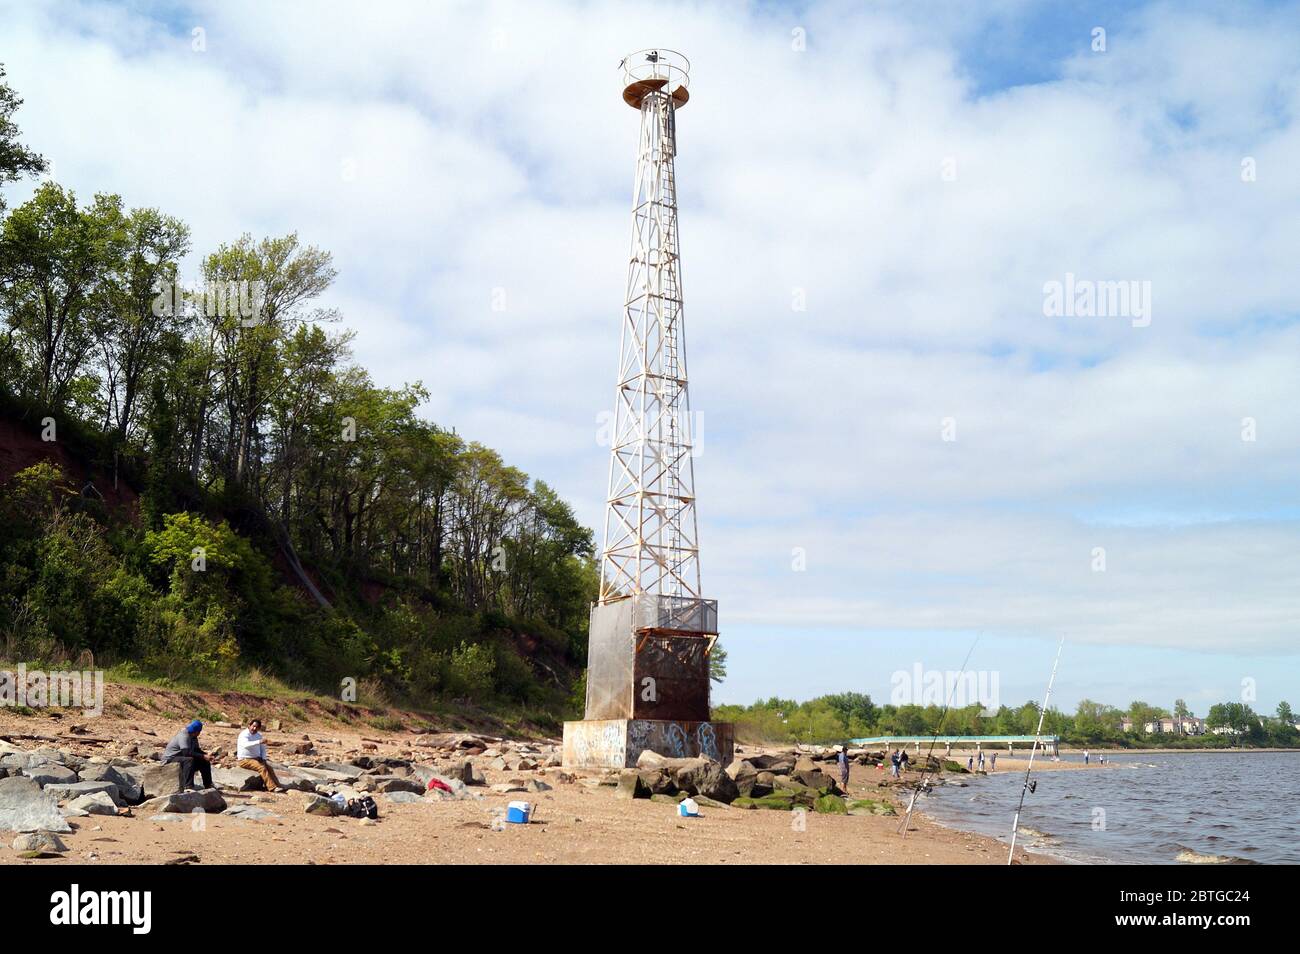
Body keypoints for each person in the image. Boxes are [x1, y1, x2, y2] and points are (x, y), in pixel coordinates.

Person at [162, 719, 213, 791]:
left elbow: (196, 750)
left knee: (204, 761)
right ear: (197, 731)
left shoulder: (194, 737)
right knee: (189, 760)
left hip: (181, 759)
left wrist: (206, 755)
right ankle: (188, 786)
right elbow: (186, 753)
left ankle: (208, 786)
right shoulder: (184, 735)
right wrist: (203, 756)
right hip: (170, 760)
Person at [237, 718, 286, 793]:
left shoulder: (259, 735)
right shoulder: (244, 734)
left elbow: (263, 749)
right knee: (261, 768)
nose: (254, 728)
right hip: (244, 759)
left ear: (259, 728)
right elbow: (245, 745)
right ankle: (272, 787)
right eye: (253, 726)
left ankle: (278, 785)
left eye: (256, 727)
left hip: (256, 758)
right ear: (249, 726)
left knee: (269, 768)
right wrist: (258, 742)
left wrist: (263, 758)